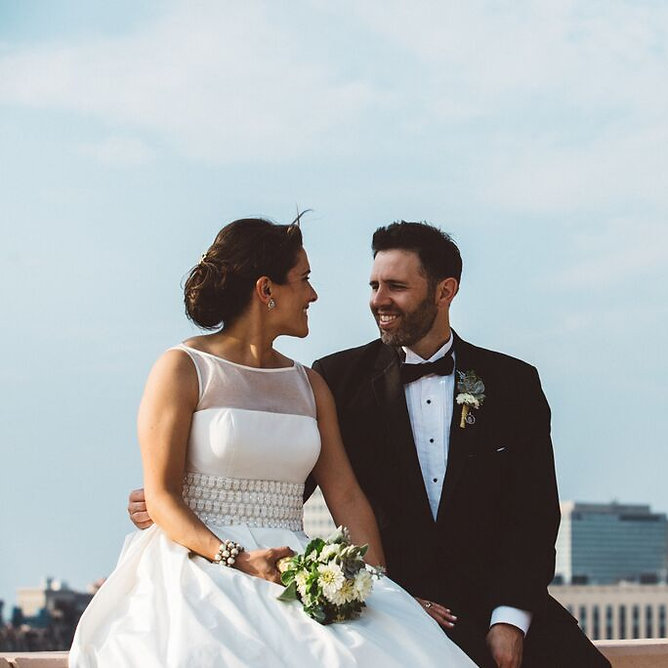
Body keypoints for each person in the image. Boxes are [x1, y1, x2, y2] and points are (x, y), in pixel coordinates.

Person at [130, 221, 610, 667]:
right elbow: (280, 482)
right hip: (395, 601)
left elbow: (534, 514)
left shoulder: (512, 384)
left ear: (446, 291)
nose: (379, 299)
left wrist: (509, 619)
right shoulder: (336, 378)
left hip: (493, 607)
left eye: (396, 287)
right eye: (374, 286)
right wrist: (175, 503)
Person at [73, 218, 474, 667]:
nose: (313, 295)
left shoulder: (311, 385)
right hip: (197, 564)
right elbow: (163, 497)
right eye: (304, 280)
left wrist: (383, 593)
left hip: (296, 564)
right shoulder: (182, 368)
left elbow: (347, 498)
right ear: (267, 290)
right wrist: (240, 560)